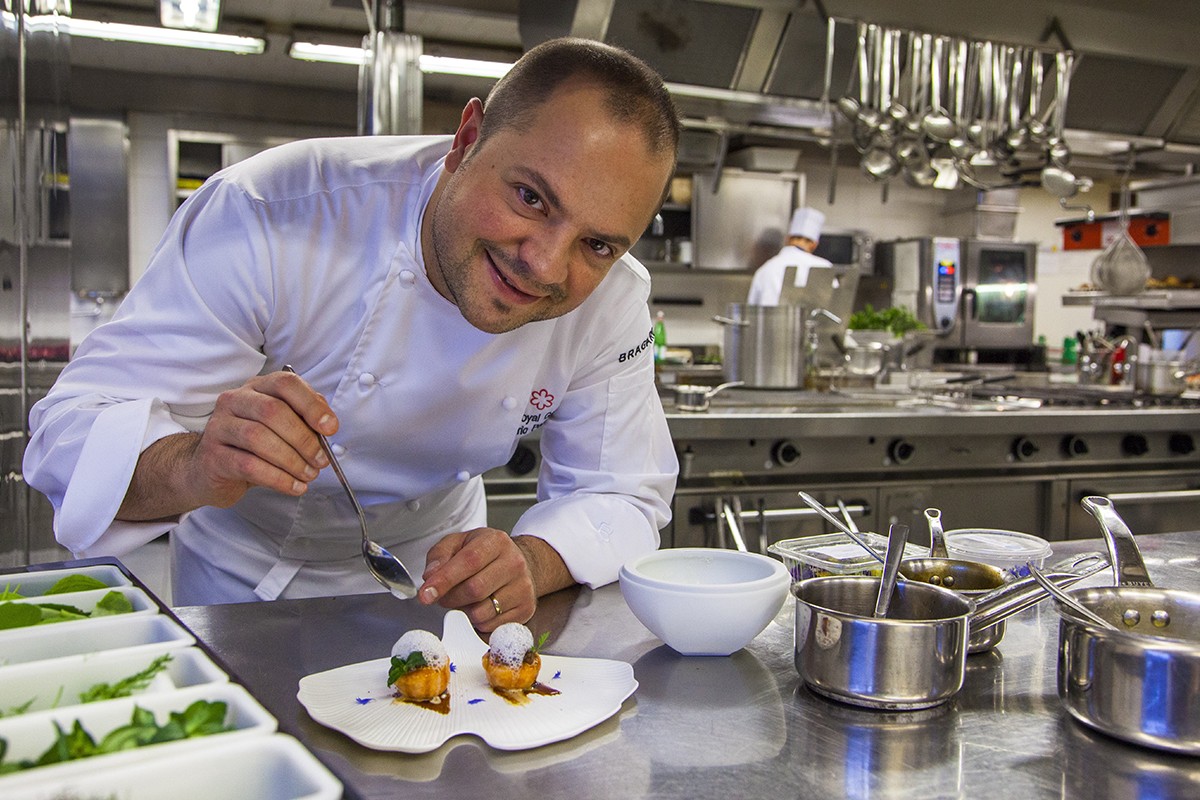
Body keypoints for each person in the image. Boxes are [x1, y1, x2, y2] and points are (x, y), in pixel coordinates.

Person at [23, 37, 681, 632]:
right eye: (531, 199)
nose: (543, 265)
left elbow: (620, 489)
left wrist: (527, 561)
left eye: (596, 243)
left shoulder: (612, 297)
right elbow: (69, 434)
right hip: (243, 587)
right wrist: (196, 465)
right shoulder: (268, 216)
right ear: (468, 138)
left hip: (440, 591)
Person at [746, 208, 832, 305]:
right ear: (814, 244)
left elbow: (752, 310)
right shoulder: (824, 268)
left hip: (769, 320)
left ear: (788, 239)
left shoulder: (765, 269)